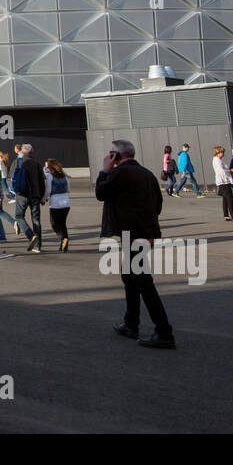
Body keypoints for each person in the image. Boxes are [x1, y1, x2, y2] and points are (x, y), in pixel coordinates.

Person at [97, 139, 174, 349]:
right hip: (143, 232)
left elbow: (100, 193)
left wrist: (104, 170)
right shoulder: (146, 173)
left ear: (116, 156)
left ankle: (164, 331)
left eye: (111, 154)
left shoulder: (120, 173)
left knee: (142, 281)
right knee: (130, 277)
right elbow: (158, 204)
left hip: (133, 234)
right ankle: (131, 323)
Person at [12, 144, 46, 253]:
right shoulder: (36, 163)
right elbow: (42, 181)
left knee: (18, 216)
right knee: (36, 220)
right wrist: (42, 197)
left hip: (22, 194)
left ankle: (30, 235)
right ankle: (38, 246)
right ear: (32, 153)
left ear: (22, 152)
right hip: (35, 195)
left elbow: (11, 177)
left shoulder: (18, 161)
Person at [45, 159, 72, 251]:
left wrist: (43, 199)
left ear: (50, 168)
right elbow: (68, 190)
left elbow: (48, 190)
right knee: (63, 223)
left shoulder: (50, 176)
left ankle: (63, 237)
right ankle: (64, 245)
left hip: (55, 202)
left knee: (54, 224)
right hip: (66, 202)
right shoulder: (65, 176)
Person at [212, 146, 233, 220]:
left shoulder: (218, 160)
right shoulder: (217, 160)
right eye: (222, 152)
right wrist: (230, 171)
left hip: (223, 181)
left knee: (225, 198)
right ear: (218, 153)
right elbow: (221, 171)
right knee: (230, 198)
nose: (223, 154)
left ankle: (226, 214)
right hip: (224, 181)